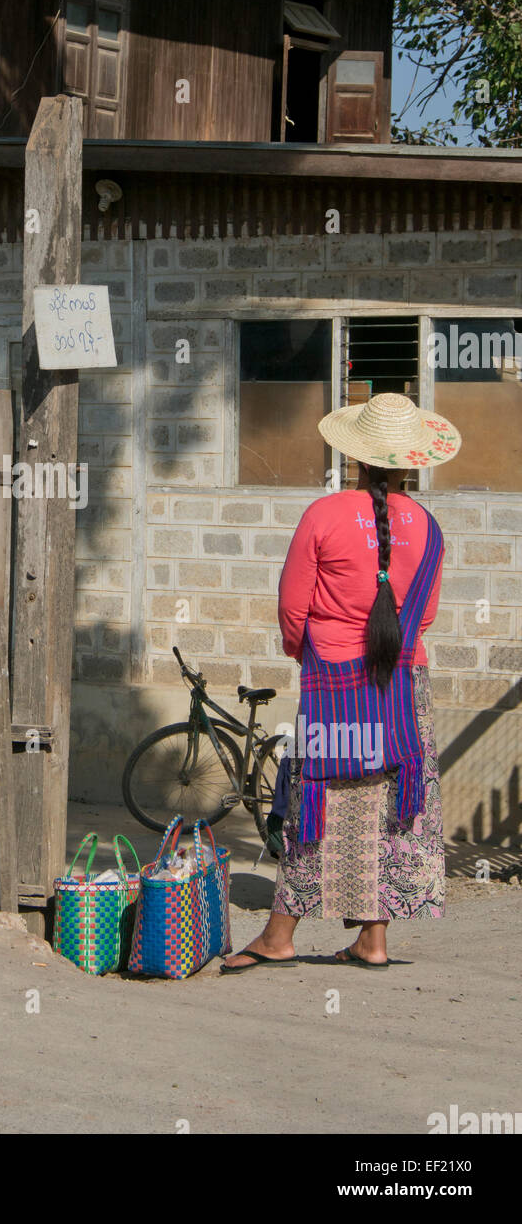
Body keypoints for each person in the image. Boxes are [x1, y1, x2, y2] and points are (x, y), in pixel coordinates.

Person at [221, 392, 461, 971]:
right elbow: (421, 617)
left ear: (355, 454)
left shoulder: (323, 515)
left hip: (335, 682)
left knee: (318, 803)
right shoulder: (427, 526)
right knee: (389, 808)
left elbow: (292, 607)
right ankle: (373, 940)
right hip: (404, 683)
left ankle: (280, 937)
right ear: (408, 461)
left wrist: (314, 655)